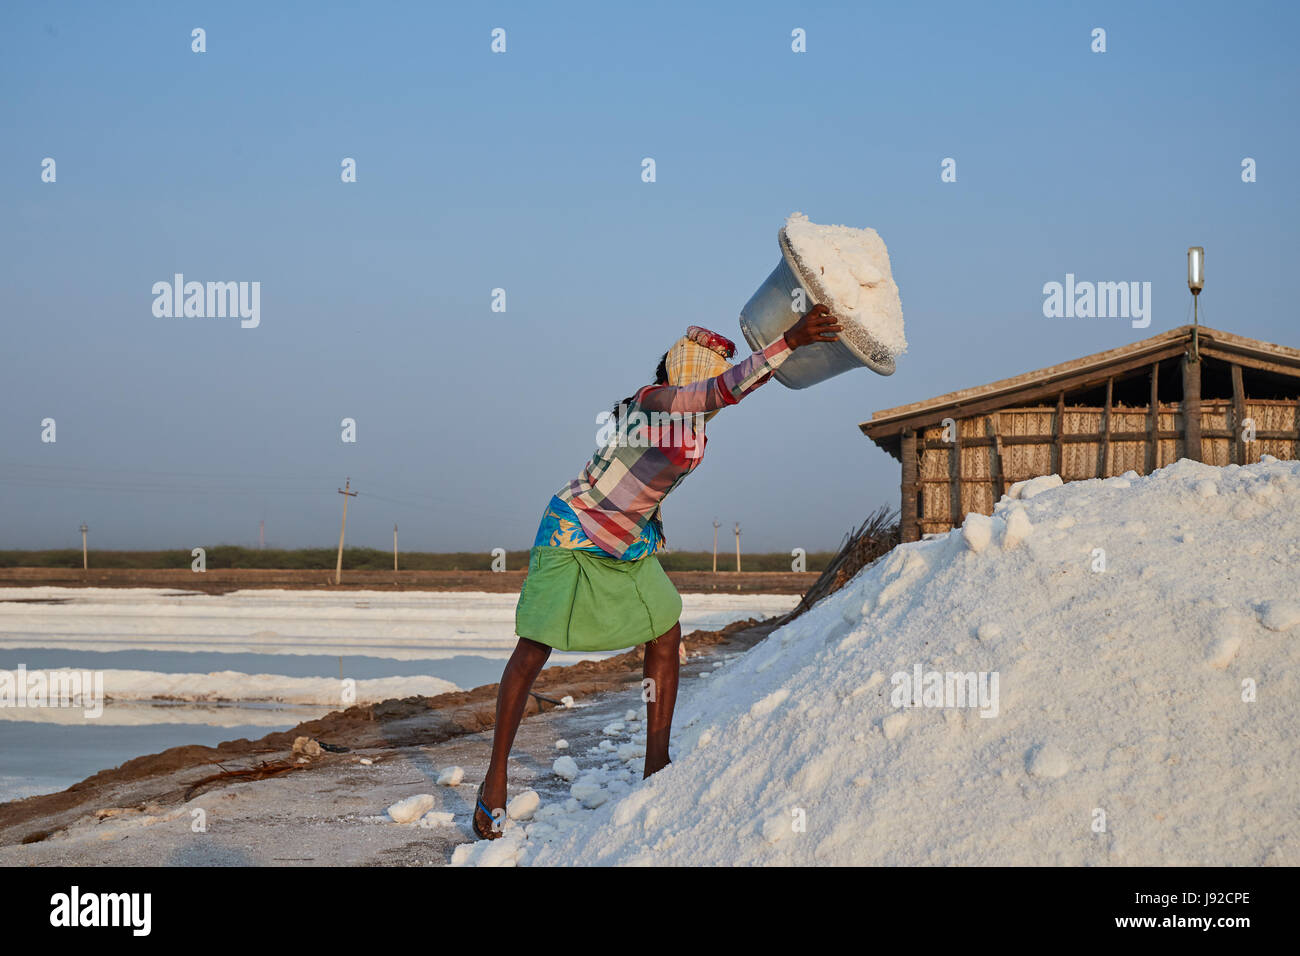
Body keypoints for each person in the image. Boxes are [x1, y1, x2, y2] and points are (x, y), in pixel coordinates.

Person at [472, 304, 843, 839]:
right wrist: (789, 337)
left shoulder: (694, 419)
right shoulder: (654, 402)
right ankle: (495, 778)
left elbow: (736, 389)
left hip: (626, 543)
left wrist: (797, 346)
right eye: (700, 378)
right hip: (574, 529)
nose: (707, 388)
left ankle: (656, 765)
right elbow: (722, 391)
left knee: (665, 630)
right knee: (535, 647)